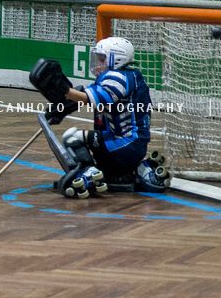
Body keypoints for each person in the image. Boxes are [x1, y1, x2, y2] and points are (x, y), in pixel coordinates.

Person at [28, 36, 169, 198]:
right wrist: (62, 108)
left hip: (124, 145)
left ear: (116, 59)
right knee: (88, 136)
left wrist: (64, 89)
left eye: (102, 58)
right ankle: (118, 172)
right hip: (130, 144)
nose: (98, 62)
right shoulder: (128, 76)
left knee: (72, 138)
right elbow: (90, 94)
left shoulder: (118, 78)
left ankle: (89, 173)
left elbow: (91, 98)